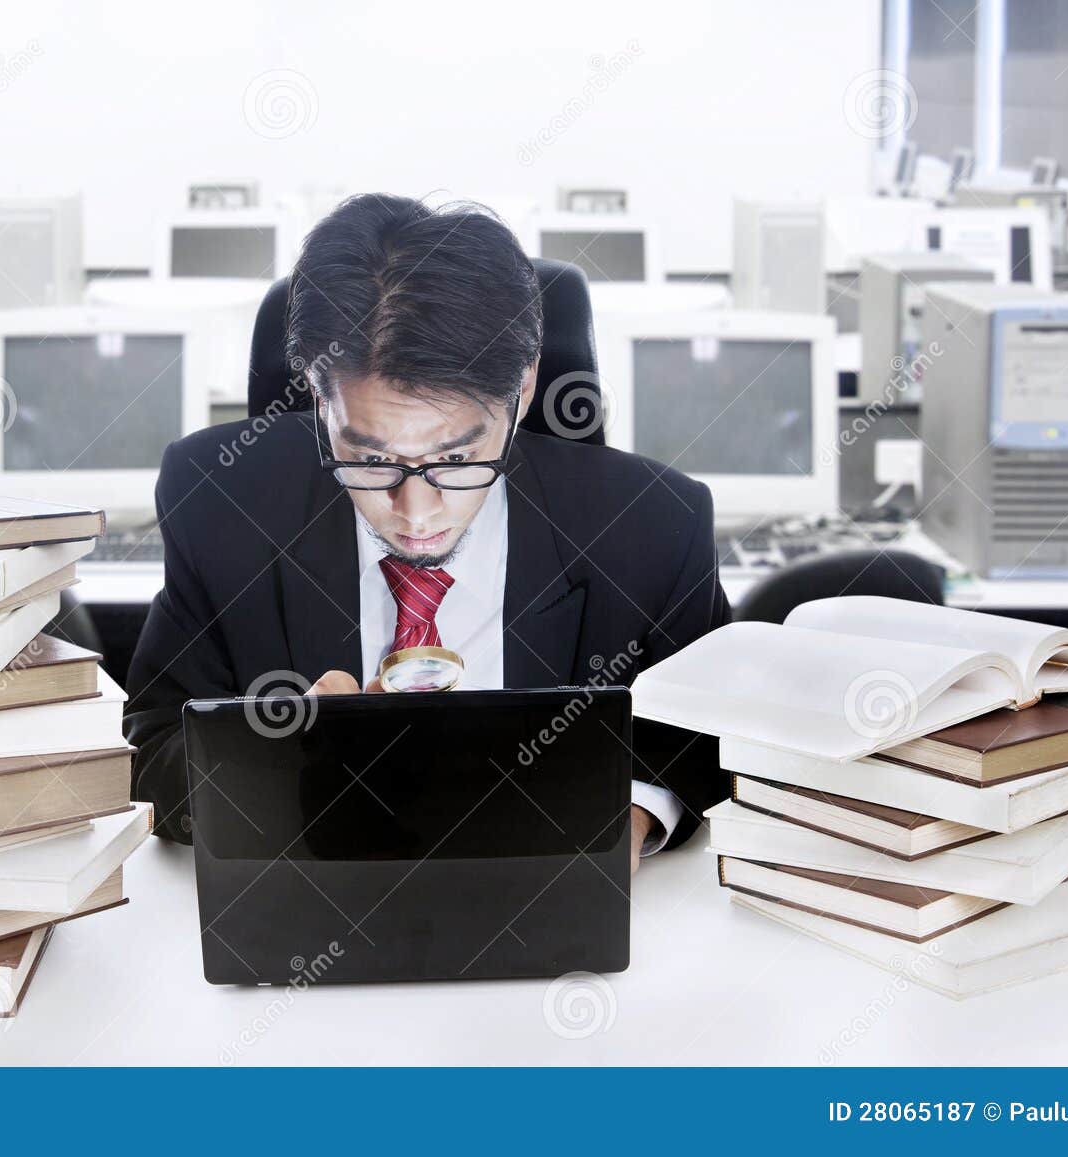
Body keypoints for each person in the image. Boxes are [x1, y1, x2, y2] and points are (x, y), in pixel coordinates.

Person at [125, 193, 730, 870]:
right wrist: (276, 755)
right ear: (321, 402)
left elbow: (702, 737)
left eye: (455, 459)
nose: (415, 514)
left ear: (523, 392)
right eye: (373, 458)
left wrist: (626, 822)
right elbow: (150, 748)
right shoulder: (218, 504)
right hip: (312, 913)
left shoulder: (654, 528)